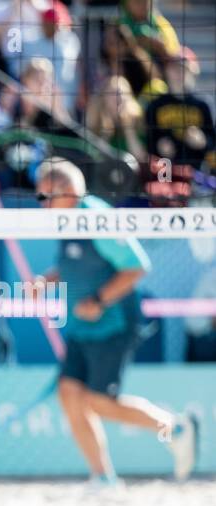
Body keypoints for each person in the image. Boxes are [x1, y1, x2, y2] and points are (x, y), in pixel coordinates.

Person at [36, 157, 197, 484]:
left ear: (67, 191)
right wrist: (47, 281)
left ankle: (175, 427)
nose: (40, 206)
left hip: (113, 325)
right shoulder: (68, 221)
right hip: (83, 329)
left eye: (43, 197)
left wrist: (98, 301)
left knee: (100, 404)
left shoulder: (97, 219)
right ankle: (103, 477)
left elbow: (137, 266)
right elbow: (75, 265)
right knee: (69, 395)